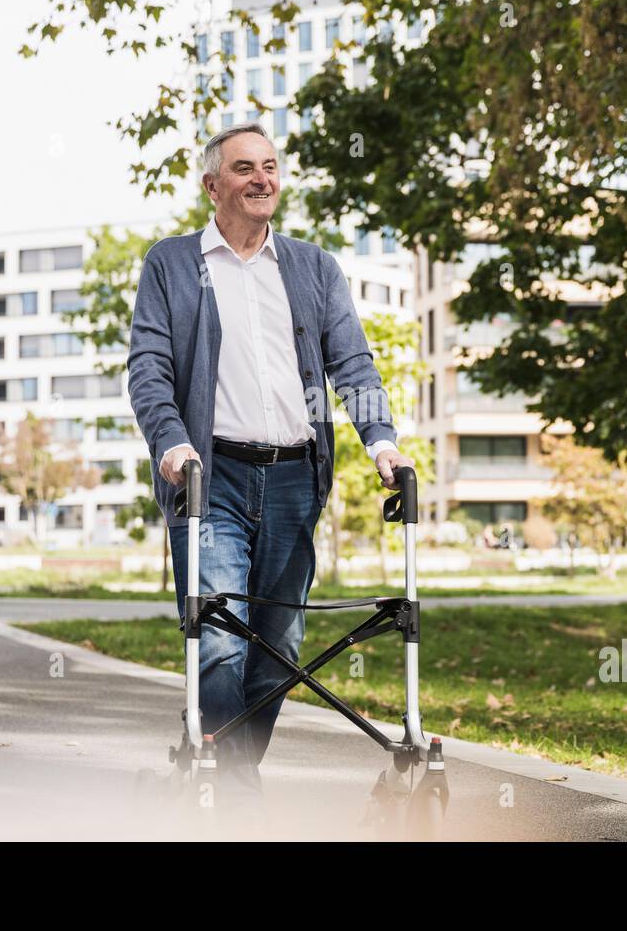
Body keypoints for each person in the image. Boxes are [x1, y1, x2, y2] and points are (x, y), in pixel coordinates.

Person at [126, 121, 416, 804]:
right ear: (212, 185)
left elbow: (352, 362)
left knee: (280, 645)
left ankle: (216, 756)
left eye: (271, 166)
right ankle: (235, 795)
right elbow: (149, 369)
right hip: (211, 475)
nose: (262, 178)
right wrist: (171, 443)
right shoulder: (172, 264)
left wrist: (381, 439)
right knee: (220, 634)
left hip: (294, 478)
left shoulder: (313, 267)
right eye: (245, 168)